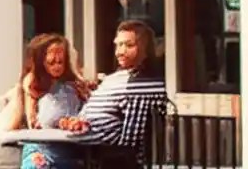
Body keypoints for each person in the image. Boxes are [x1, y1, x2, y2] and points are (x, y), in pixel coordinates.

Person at [57, 21, 168, 168]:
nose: (120, 52)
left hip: (105, 156)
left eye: (129, 45)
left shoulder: (143, 85)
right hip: (81, 143)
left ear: (145, 49)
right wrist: (76, 122)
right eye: (118, 45)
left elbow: (131, 144)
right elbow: (89, 112)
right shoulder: (114, 78)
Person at [17, 34, 88, 168]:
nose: (57, 66)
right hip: (42, 150)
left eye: (60, 62)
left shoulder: (72, 87)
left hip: (69, 152)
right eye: (51, 63)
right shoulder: (34, 86)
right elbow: (42, 120)